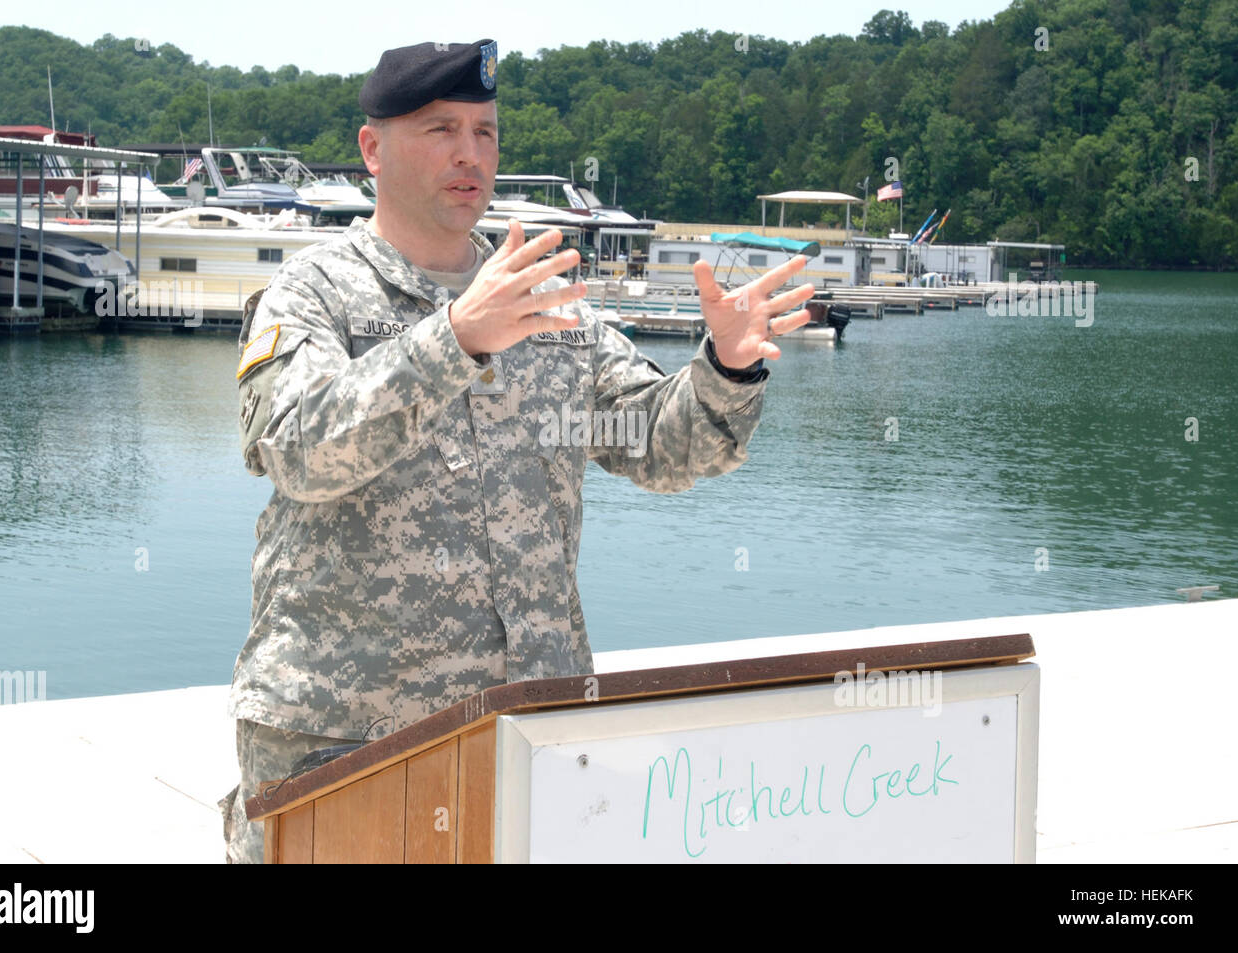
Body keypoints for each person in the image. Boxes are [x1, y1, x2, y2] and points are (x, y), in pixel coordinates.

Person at [220, 38, 817, 863]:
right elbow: (296, 447)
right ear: (372, 149)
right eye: (440, 129)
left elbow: (660, 446)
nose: (469, 153)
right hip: (343, 742)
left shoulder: (549, 304)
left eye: (486, 131)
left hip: (528, 732)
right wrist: (454, 339)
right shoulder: (313, 294)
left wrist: (725, 367)